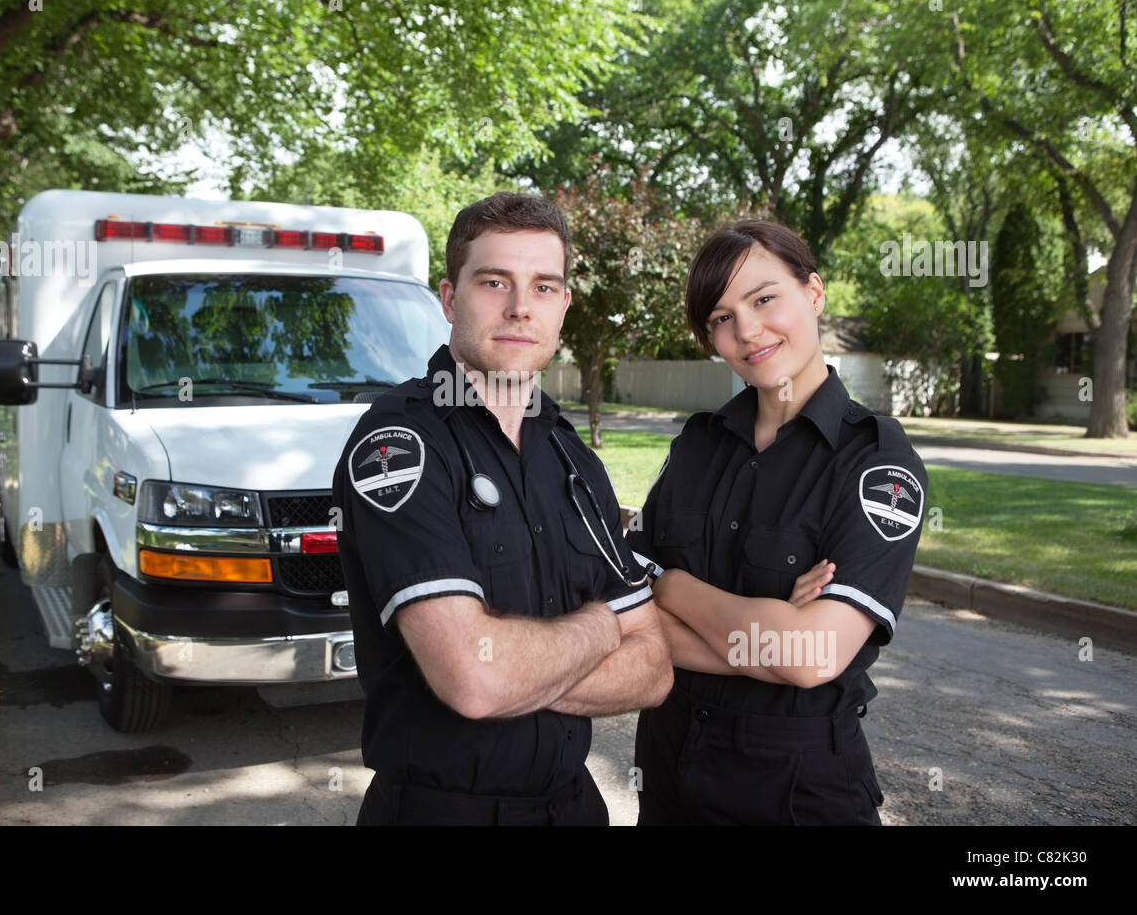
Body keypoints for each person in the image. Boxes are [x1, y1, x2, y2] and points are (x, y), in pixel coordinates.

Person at [333, 192, 673, 826]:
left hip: (573, 807)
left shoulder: (576, 461)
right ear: (449, 297)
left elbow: (653, 668)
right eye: (495, 282)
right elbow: (473, 679)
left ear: (564, 305)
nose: (521, 307)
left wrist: (519, 669)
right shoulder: (399, 445)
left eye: (545, 287)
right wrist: (601, 630)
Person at [627, 219, 928, 825]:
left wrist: (672, 587)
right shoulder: (696, 446)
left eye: (765, 299)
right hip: (666, 766)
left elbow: (811, 655)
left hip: (795, 786)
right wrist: (768, 628)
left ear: (813, 293)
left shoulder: (876, 463)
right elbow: (618, 609)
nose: (748, 330)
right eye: (721, 317)